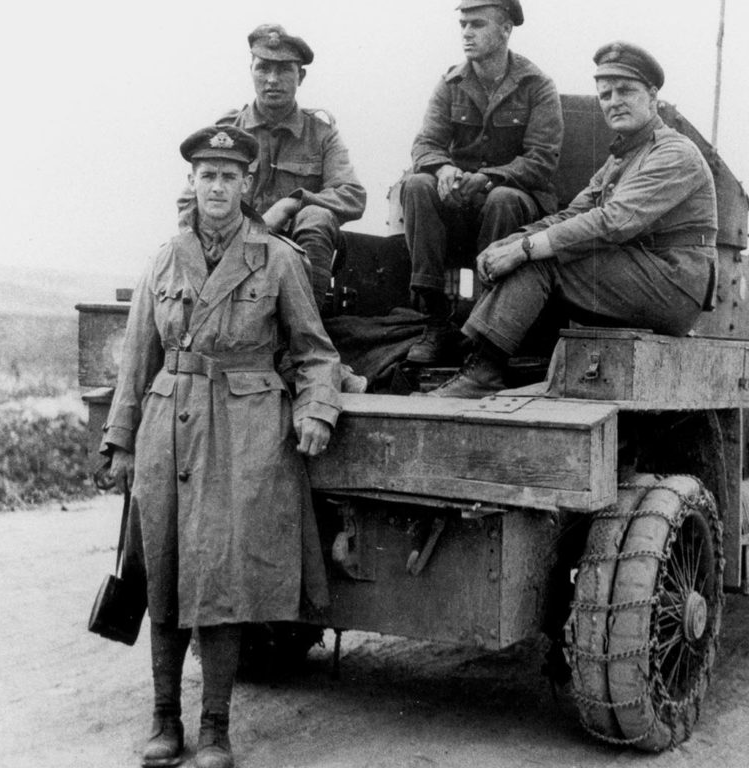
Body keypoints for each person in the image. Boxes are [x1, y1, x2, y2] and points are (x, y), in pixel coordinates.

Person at [106, 125, 343, 768]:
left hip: (244, 433)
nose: (216, 186)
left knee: (223, 577)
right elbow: (137, 359)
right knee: (162, 572)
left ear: (246, 185)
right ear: (193, 183)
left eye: (229, 176)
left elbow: (314, 351)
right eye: (206, 175)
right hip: (168, 423)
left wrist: (317, 409)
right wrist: (120, 441)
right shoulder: (163, 258)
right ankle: (163, 719)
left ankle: (214, 728)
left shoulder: (278, 258)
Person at [429, 41, 717, 398]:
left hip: (673, 284)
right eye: (606, 94)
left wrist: (525, 248)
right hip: (644, 271)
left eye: (625, 91)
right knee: (537, 249)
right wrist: (510, 242)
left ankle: (484, 372)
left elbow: (612, 221)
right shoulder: (621, 159)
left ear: (652, 95)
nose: (613, 102)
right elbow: (572, 214)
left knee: (544, 260)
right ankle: (485, 356)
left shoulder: (674, 152)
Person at [402, 0, 563, 364]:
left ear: (505, 29)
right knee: (416, 186)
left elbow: (541, 160)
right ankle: (435, 322)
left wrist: (488, 178)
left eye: (477, 24)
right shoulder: (451, 83)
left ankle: (486, 330)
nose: (466, 33)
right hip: (461, 200)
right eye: (463, 24)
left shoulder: (536, 85)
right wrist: (442, 169)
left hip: (517, 202)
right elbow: (425, 144)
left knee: (502, 199)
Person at [180, 24, 367, 316]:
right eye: (263, 68)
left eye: (283, 70)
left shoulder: (321, 133)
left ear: (300, 76)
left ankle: (306, 337)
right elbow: (190, 199)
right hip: (234, 249)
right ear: (251, 70)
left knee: (317, 216)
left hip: (296, 257)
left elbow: (352, 195)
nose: (272, 79)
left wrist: (291, 203)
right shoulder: (229, 131)